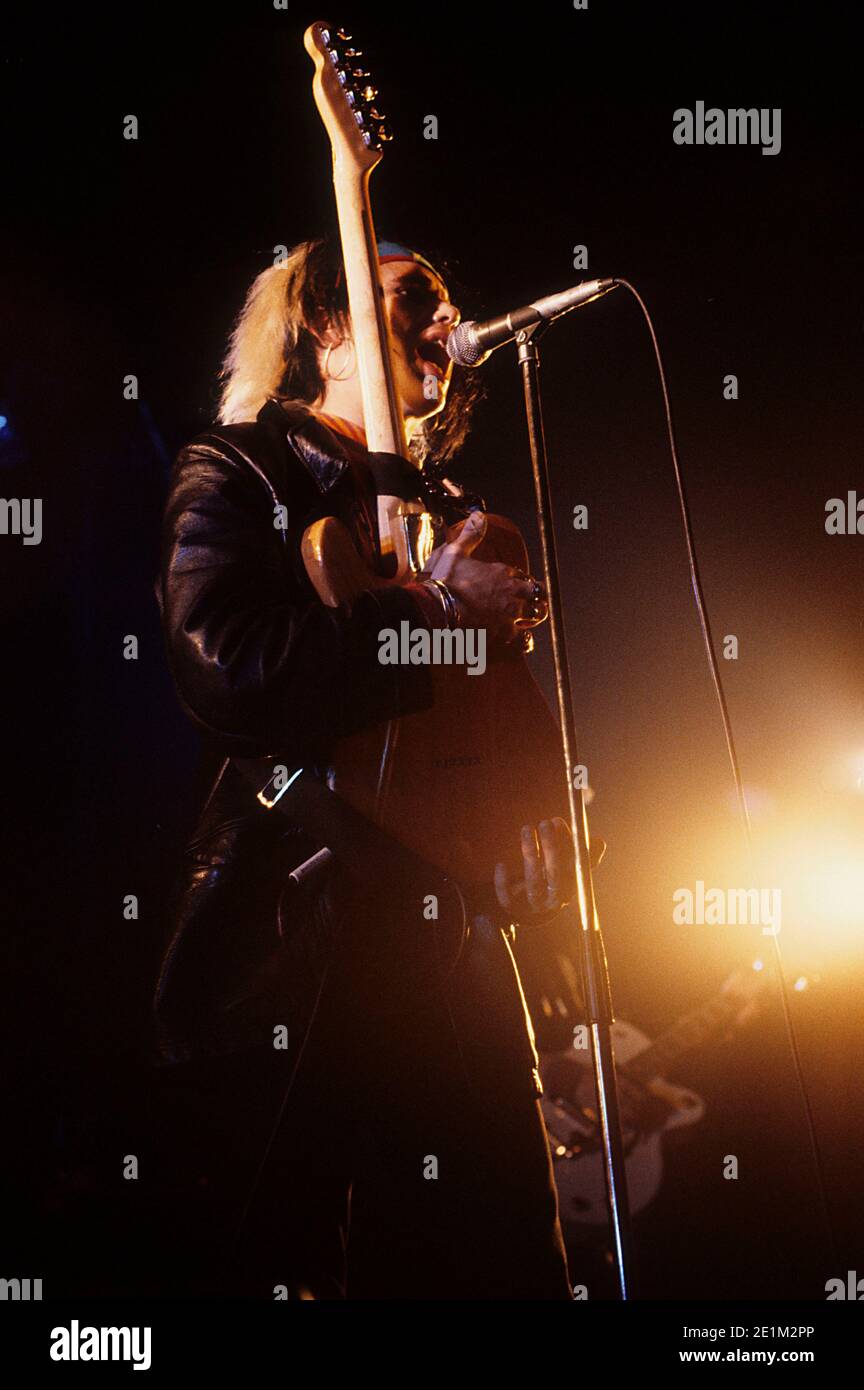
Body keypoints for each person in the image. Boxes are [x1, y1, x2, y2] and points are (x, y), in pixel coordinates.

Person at [151, 236, 579, 1299]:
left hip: (458, 957)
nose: (447, 322)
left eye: (447, 304)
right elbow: (228, 668)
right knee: (304, 1259)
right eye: (414, 300)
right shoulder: (242, 469)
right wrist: (430, 610)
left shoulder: (456, 516)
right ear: (327, 330)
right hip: (299, 942)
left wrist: (546, 833)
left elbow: (505, 742)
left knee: (504, 1262)